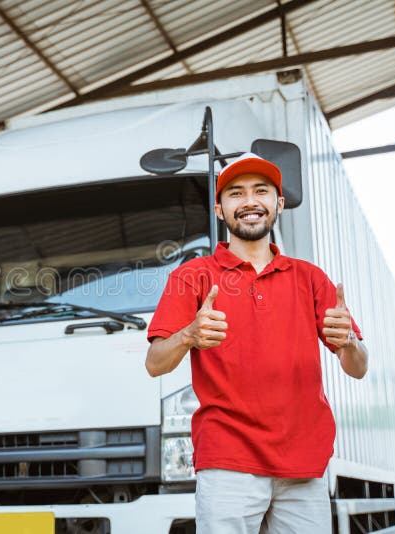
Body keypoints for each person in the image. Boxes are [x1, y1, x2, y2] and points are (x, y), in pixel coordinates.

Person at [145, 152, 368, 534]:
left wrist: (347, 341)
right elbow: (155, 363)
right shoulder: (192, 276)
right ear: (219, 209)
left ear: (278, 203)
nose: (249, 201)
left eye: (260, 191)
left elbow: (359, 368)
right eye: (236, 193)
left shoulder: (311, 278)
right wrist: (188, 335)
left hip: (304, 461)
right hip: (227, 459)